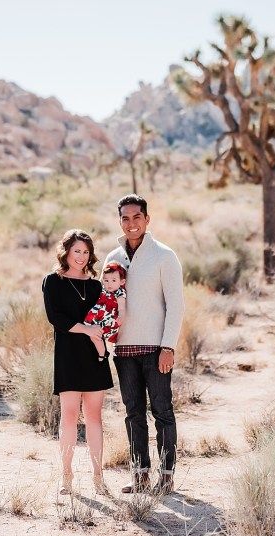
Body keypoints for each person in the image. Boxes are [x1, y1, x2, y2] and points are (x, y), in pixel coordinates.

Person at [103, 194, 185, 495]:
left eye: (137, 217)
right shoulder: (113, 258)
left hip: (155, 350)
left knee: (162, 412)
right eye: (125, 218)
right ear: (120, 221)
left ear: (147, 219)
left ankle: (166, 476)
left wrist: (168, 347)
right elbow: (108, 303)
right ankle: (140, 475)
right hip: (124, 351)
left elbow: (176, 305)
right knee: (133, 413)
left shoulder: (164, 255)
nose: (131, 223)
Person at [42, 229, 113, 496]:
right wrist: (87, 329)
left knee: (95, 418)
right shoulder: (53, 281)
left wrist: (101, 337)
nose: (81, 257)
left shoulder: (96, 286)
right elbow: (55, 318)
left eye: (85, 252)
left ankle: (98, 477)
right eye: (76, 251)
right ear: (66, 252)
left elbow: (106, 317)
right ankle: (67, 476)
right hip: (68, 356)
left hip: (95, 356)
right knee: (69, 416)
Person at [83, 261, 128, 361]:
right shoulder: (103, 289)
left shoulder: (119, 292)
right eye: (106, 280)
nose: (109, 284)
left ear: (122, 282)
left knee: (96, 335)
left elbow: (121, 308)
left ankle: (102, 353)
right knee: (92, 335)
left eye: (113, 280)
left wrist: (121, 317)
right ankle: (102, 352)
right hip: (97, 316)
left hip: (109, 319)